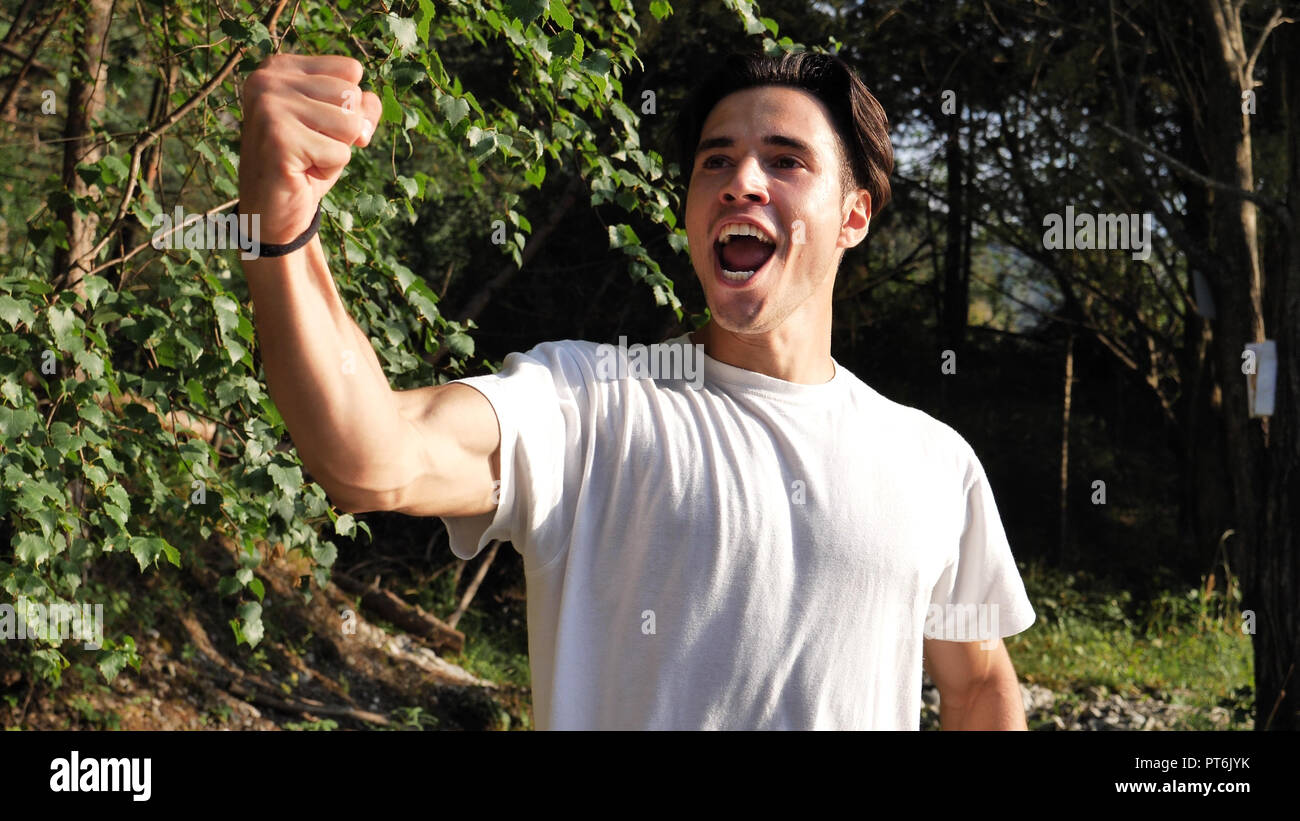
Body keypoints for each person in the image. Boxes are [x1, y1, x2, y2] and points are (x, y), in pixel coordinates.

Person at [238, 49, 1036, 731]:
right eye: (715, 161)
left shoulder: (933, 462)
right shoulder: (590, 403)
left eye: (786, 160)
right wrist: (283, 226)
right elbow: (372, 457)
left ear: (854, 216)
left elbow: (979, 685)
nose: (741, 181)